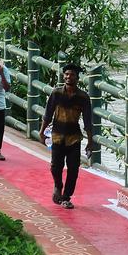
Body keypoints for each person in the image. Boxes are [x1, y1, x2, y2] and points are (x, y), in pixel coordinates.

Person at [41, 63, 96, 209]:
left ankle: (66, 197)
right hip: (57, 136)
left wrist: (90, 141)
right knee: (55, 167)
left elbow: (88, 121)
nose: (68, 77)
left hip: (74, 138)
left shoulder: (83, 97)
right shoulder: (56, 93)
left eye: (71, 74)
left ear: (77, 78)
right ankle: (58, 186)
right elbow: (48, 114)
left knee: (73, 169)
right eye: (66, 74)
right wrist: (42, 131)